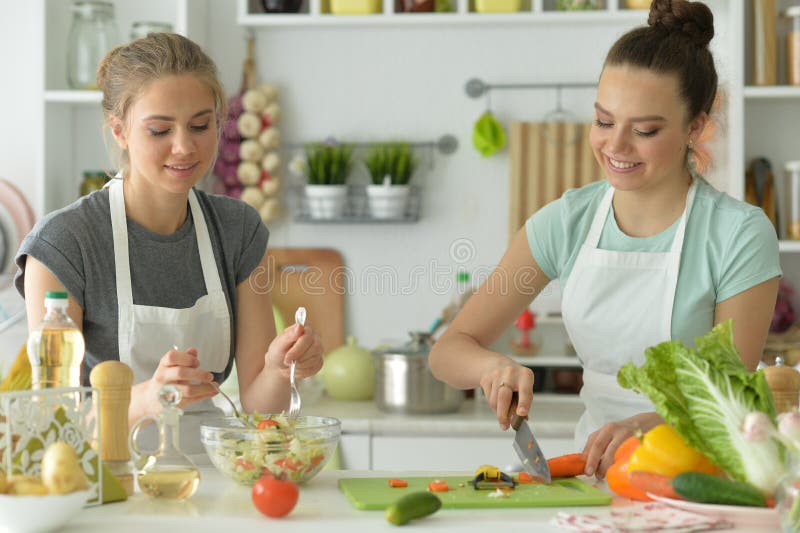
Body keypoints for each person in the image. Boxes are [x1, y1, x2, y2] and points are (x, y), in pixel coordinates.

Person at [430, 0, 780, 480]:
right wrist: (492, 368)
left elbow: (735, 400)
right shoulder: (566, 221)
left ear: (694, 127)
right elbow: (448, 350)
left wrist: (656, 426)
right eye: (603, 121)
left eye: (644, 130)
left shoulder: (738, 234)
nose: (615, 147)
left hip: (703, 483)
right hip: (595, 479)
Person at [14, 33, 323, 453]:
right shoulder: (65, 243)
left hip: (211, 478)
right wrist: (147, 397)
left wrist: (278, 368)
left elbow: (260, 410)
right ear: (119, 131)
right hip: (105, 482)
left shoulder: (237, 230)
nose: (184, 147)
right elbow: (56, 419)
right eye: (160, 129)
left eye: (201, 125)